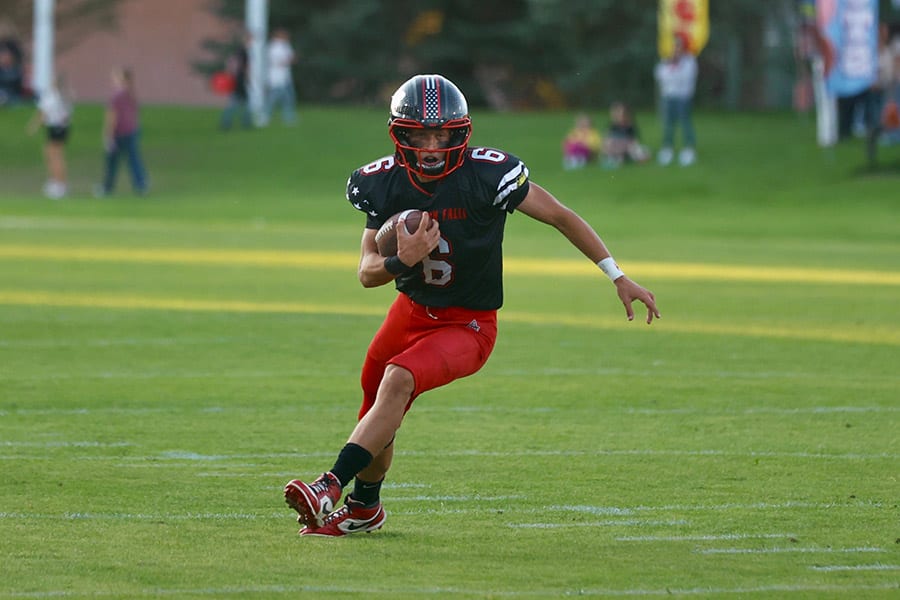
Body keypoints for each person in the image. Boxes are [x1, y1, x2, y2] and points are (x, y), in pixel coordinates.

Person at [283, 74, 660, 537]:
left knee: (397, 380)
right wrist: (404, 259)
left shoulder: (488, 175)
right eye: (420, 133)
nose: (432, 145)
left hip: (469, 324)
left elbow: (561, 216)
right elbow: (366, 273)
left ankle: (329, 486)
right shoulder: (380, 182)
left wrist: (617, 275)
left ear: (460, 133)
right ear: (401, 135)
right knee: (377, 409)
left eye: (442, 133)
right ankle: (365, 509)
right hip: (409, 312)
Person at [96, 67, 148, 197]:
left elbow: (112, 117)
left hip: (119, 132)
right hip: (131, 131)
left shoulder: (116, 97)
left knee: (113, 162)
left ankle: (107, 187)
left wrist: (108, 135)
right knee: (133, 159)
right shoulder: (130, 95)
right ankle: (141, 184)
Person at [27, 74, 73, 199]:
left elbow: (43, 113)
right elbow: (67, 115)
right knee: (54, 154)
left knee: (54, 156)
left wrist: (34, 126)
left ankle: (58, 185)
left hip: (55, 128)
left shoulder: (51, 97)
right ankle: (58, 183)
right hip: (63, 128)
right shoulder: (64, 96)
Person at [654, 36, 698, 167]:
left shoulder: (689, 62)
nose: (676, 50)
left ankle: (689, 148)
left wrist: (674, 70)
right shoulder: (666, 61)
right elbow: (659, 75)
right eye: (674, 47)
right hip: (668, 96)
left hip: (683, 97)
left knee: (685, 122)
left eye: (679, 47)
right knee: (668, 123)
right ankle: (667, 147)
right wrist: (671, 66)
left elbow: (684, 78)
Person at [600, 101, 650, 168]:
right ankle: (615, 158)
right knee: (608, 145)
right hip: (615, 148)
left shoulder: (630, 127)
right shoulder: (612, 127)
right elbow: (606, 140)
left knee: (640, 151)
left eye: (621, 113)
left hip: (627, 148)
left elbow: (634, 141)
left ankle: (622, 158)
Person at [219, 33, 252, 131]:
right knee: (236, 102)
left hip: (236, 78)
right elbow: (245, 67)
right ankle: (228, 122)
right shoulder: (244, 52)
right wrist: (248, 78)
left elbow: (231, 63)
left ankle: (245, 122)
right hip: (240, 80)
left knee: (241, 102)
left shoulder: (238, 51)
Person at [264, 28, 297, 126]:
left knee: (289, 98)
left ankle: (288, 117)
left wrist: (289, 60)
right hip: (276, 78)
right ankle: (265, 116)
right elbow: (277, 61)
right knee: (274, 98)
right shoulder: (273, 47)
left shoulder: (285, 46)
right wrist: (288, 61)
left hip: (285, 77)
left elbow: (291, 58)